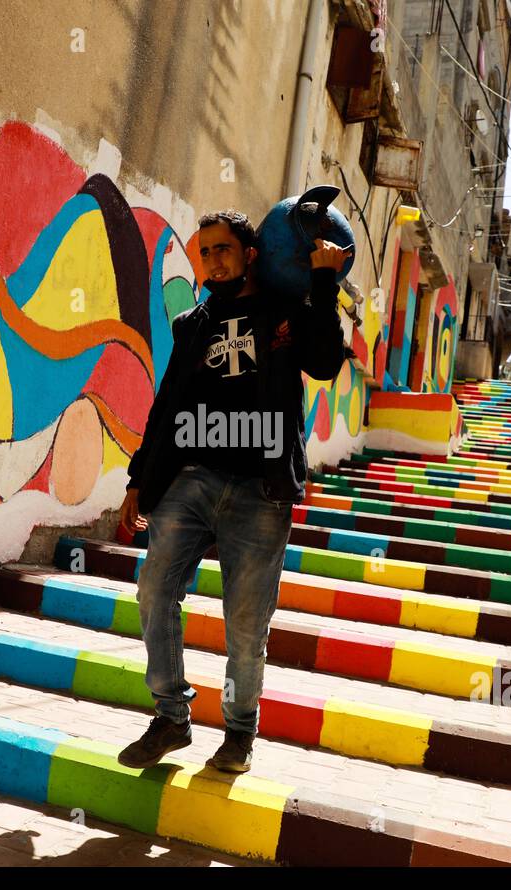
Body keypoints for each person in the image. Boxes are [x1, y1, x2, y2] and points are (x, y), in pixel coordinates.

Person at [115, 208, 350, 773]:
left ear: (251, 254)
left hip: (260, 491)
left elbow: (322, 363)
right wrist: (138, 480)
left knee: (246, 624)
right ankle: (172, 716)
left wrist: (321, 279)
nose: (212, 261)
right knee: (154, 590)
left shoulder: (285, 314)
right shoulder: (192, 325)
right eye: (204, 253)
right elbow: (168, 404)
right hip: (190, 479)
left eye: (223, 249)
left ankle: (240, 732)